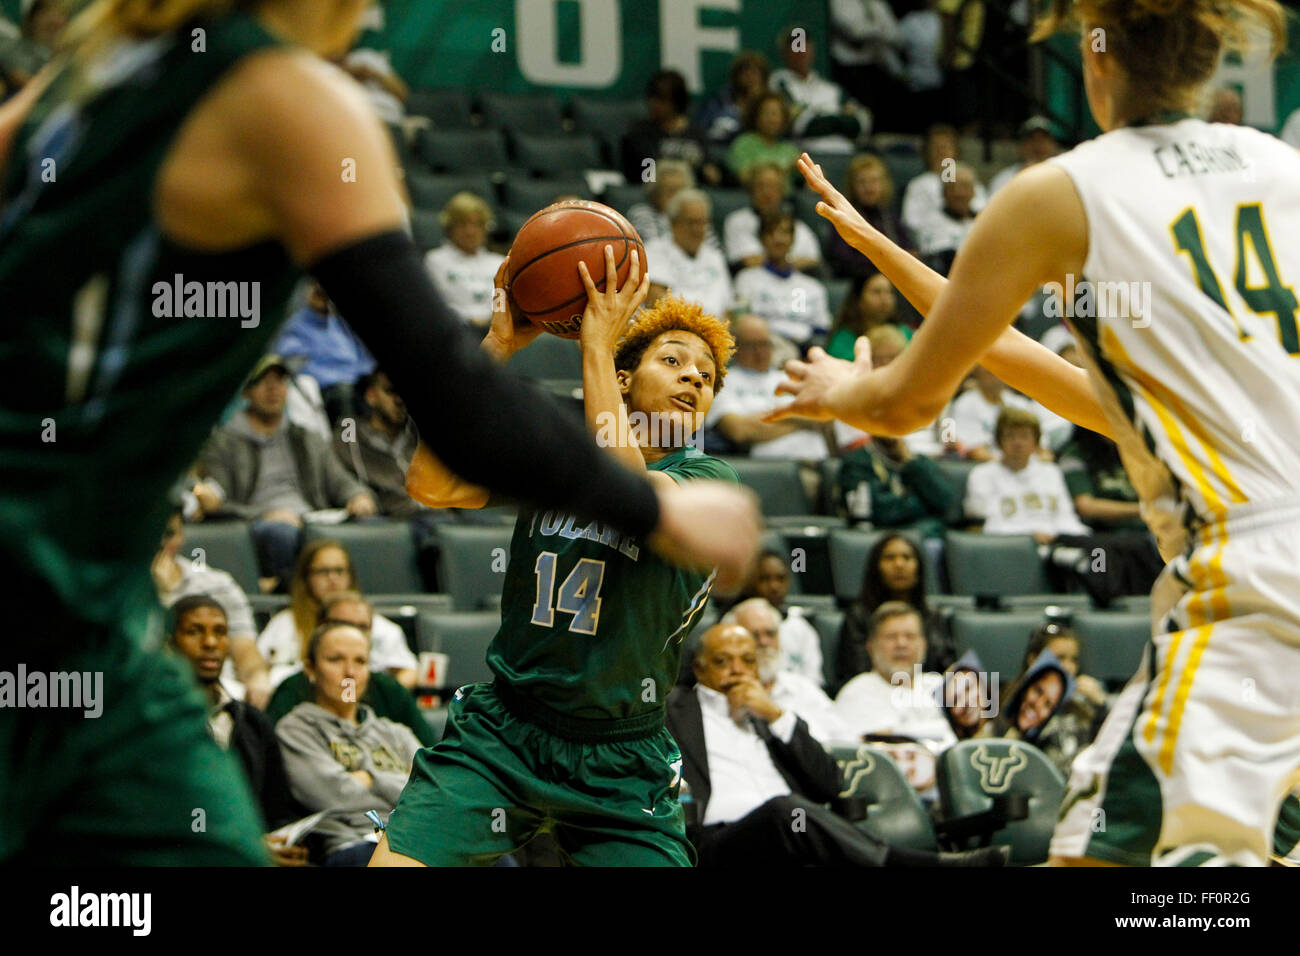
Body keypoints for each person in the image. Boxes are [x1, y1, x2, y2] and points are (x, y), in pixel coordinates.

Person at [0, 0, 756, 866]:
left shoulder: (90, 70)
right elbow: (460, 424)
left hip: (84, 606)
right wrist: (645, 503)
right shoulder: (294, 100)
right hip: (59, 591)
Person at [772, 0, 1297, 868]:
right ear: (1209, 65)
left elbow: (906, 406)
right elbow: (1046, 372)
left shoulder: (1060, 190)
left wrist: (843, 392)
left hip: (1251, 582)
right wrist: (884, 250)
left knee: (1098, 856)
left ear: (1096, 63)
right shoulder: (1283, 170)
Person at [370, 253, 742, 867]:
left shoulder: (707, 480)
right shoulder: (561, 452)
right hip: (506, 733)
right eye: (673, 361)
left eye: (706, 378)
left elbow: (634, 498)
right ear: (624, 379)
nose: (693, 380)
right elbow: (431, 486)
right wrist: (494, 346)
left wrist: (595, 345)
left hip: (621, 760)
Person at [667, 623, 1005, 866]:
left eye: (747, 660)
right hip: (716, 841)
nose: (738, 671)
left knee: (787, 812)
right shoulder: (676, 710)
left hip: (790, 835)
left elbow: (830, 783)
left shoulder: (768, 717)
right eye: (724, 661)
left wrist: (777, 716)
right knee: (783, 810)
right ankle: (920, 865)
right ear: (699, 668)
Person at [196, 354, 379, 589]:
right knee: (280, 533)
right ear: (246, 392)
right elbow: (215, 502)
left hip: (310, 518)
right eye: (263, 381)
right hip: (259, 523)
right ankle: (289, 601)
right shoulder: (223, 443)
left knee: (374, 527)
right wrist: (263, 515)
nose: (273, 389)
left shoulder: (306, 438)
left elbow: (340, 480)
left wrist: (358, 496)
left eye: (280, 381)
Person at [167, 595, 308, 866]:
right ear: (169, 642)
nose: (210, 643)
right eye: (194, 631)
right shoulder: (153, 722)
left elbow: (277, 809)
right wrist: (246, 847)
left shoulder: (253, 722)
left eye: (220, 632)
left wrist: (287, 842)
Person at [276, 621, 422, 866]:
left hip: (417, 836)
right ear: (310, 668)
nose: (350, 672)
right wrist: (400, 780)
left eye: (360, 661)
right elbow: (335, 796)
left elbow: (431, 792)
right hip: (354, 844)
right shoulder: (296, 729)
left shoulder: (396, 733)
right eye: (335, 660)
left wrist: (369, 778)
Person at [265, 590, 440, 746]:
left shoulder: (389, 691)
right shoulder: (292, 691)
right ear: (320, 627)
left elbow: (430, 757)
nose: (353, 634)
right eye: (342, 624)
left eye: (363, 627)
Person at [152, 506, 272, 708]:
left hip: (216, 691)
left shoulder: (216, 584)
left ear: (181, 536)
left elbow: (245, 648)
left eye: (169, 534)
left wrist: (257, 677)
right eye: (153, 534)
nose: (160, 544)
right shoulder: (111, 589)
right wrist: (163, 596)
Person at [258, 538, 417, 691]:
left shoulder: (375, 624)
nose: (332, 578)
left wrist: (381, 698)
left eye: (339, 571)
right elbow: (258, 667)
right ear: (306, 577)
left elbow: (410, 672)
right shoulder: (284, 623)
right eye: (323, 572)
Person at [833, 602, 957, 795]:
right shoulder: (856, 692)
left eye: (910, 636)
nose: (902, 644)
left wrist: (898, 731)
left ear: (923, 644)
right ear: (871, 647)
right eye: (891, 637)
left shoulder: (942, 686)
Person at [703, 314, 833, 461]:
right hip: (768, 468)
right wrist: (801, 420)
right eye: (752, 345)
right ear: (734, 347)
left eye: (765, 344)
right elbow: (739, 431)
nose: (760, 352)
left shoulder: (789, 377)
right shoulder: (722, 382)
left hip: (819, 462)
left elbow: (825, 417)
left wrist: (763, 423)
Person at [836, 535, 956, 690]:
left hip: (926, 695)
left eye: (907, 558)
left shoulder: (933, 617)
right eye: (890, 558)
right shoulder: (858, 616)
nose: (899, 564)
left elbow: (947, 666)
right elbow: (854, 670)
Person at [724, 598, 848, 746]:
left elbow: (847, 742)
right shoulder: (720, 694)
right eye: (754, 635)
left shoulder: (803, 688)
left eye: (770, 634)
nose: (764, 642)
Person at [964, 407, 1091, 542]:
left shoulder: (1051, 472)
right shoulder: (982, 475)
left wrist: (1079, 535)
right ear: (999, 441)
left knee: (1104, 547)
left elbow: (1066, 517)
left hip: (1057, 539)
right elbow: (986, 525)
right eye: (1010, 436)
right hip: (1011, 545)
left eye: (1024, 436)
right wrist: (1030, 536)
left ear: (1036, 442)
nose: (1018, 443)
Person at [273, 281, 376, 423]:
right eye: (317, 292)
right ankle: (350, 443)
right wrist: (342, 377)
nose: (321, 296)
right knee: (344, 394)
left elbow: (364, 359)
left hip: (360, 383)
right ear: (306, 293)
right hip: (331, 390)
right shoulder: (296, 328)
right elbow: (294, 366)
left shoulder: (339, 324)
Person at [732, 212, 830, 352]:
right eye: (771, 233)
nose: (778, 239)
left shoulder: (813, 287)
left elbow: (822, 329)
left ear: (792, 240)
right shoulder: (746, 279)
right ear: (762, 239)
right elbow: (741, 324)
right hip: (764, 348)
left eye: (784, 233)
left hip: (805, 349)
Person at [643, 188, 733, 320]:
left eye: (702, 223)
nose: (697, 230)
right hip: (674, 326)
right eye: (691, 223)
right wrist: (697, 324)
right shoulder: (655, 250)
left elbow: (727, 308)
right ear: (673, 223)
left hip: (715, 331)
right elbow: (655, 300)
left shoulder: (715, 256)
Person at [622, 68, 721, 187]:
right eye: (652, 98)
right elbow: (647, 174)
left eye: (662, 100)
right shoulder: (640, 133)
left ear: (677, 102)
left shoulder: (696, 134)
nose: (654, 104)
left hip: (691, 195)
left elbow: (711, 174)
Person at [742, 550, 825, 686]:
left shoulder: (800, 627)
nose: (774, 586)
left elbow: (813, 680)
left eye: (780, 579)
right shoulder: (735, 622)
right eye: (765, 579)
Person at [825, 154, 915, 281]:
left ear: (884, 184)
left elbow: (908, 252)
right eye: (862, 182)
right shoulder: (843, 217)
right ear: (852, 186)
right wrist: (886, 261)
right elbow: (843, 261)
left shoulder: (890, 218)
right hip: (859, 282)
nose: (869, 187)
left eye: (874, 181)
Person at [422, 191, 503, 330]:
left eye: (477, 224)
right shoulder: (435, 261)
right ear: (450, 227)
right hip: (452, 331)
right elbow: (434, 305)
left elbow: (504, 305)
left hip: (494, 333)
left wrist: (489, 320)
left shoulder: (499, 263)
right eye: (462, 224)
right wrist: (468, 319)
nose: (470, 231)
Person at [723, 161, 821, 271]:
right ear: (751, 190)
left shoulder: (798, 227)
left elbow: (813, 262)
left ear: (782, 191)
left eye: (772, 187)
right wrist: (786, 261)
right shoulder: (737, 221)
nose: (767, 193)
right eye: (761, 186)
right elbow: (744, 262)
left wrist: (772, 261)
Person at [900, 124, 987, 241]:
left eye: (946, 146)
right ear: (926, 151)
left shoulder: (970, 181)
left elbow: (982, 215)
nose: (942, 151)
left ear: (956, 150)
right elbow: (911, 224)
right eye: (936, 147)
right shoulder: (918, 185)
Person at [696, 50, 771, 147]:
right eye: (745, 71)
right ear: (736, 76)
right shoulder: (717, 104)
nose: (750, 77)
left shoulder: (769, 105)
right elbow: (700, 130)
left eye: (755, 72)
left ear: (763, 78)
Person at [725, 91, 801, 184]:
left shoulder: (790, 149)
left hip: (787, 198)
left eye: (776, 114)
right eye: (766, 113)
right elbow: (743, 177)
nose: (771, 120)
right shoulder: (743, 144)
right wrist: (783, 169)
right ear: (756, 116)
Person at [989, 115, 1063, 195]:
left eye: (1043, 140)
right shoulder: (1003, 180)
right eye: (1031, 139)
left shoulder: (1065, 180)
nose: (1037, 145)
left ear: (1054, 146)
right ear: (1020, 146)